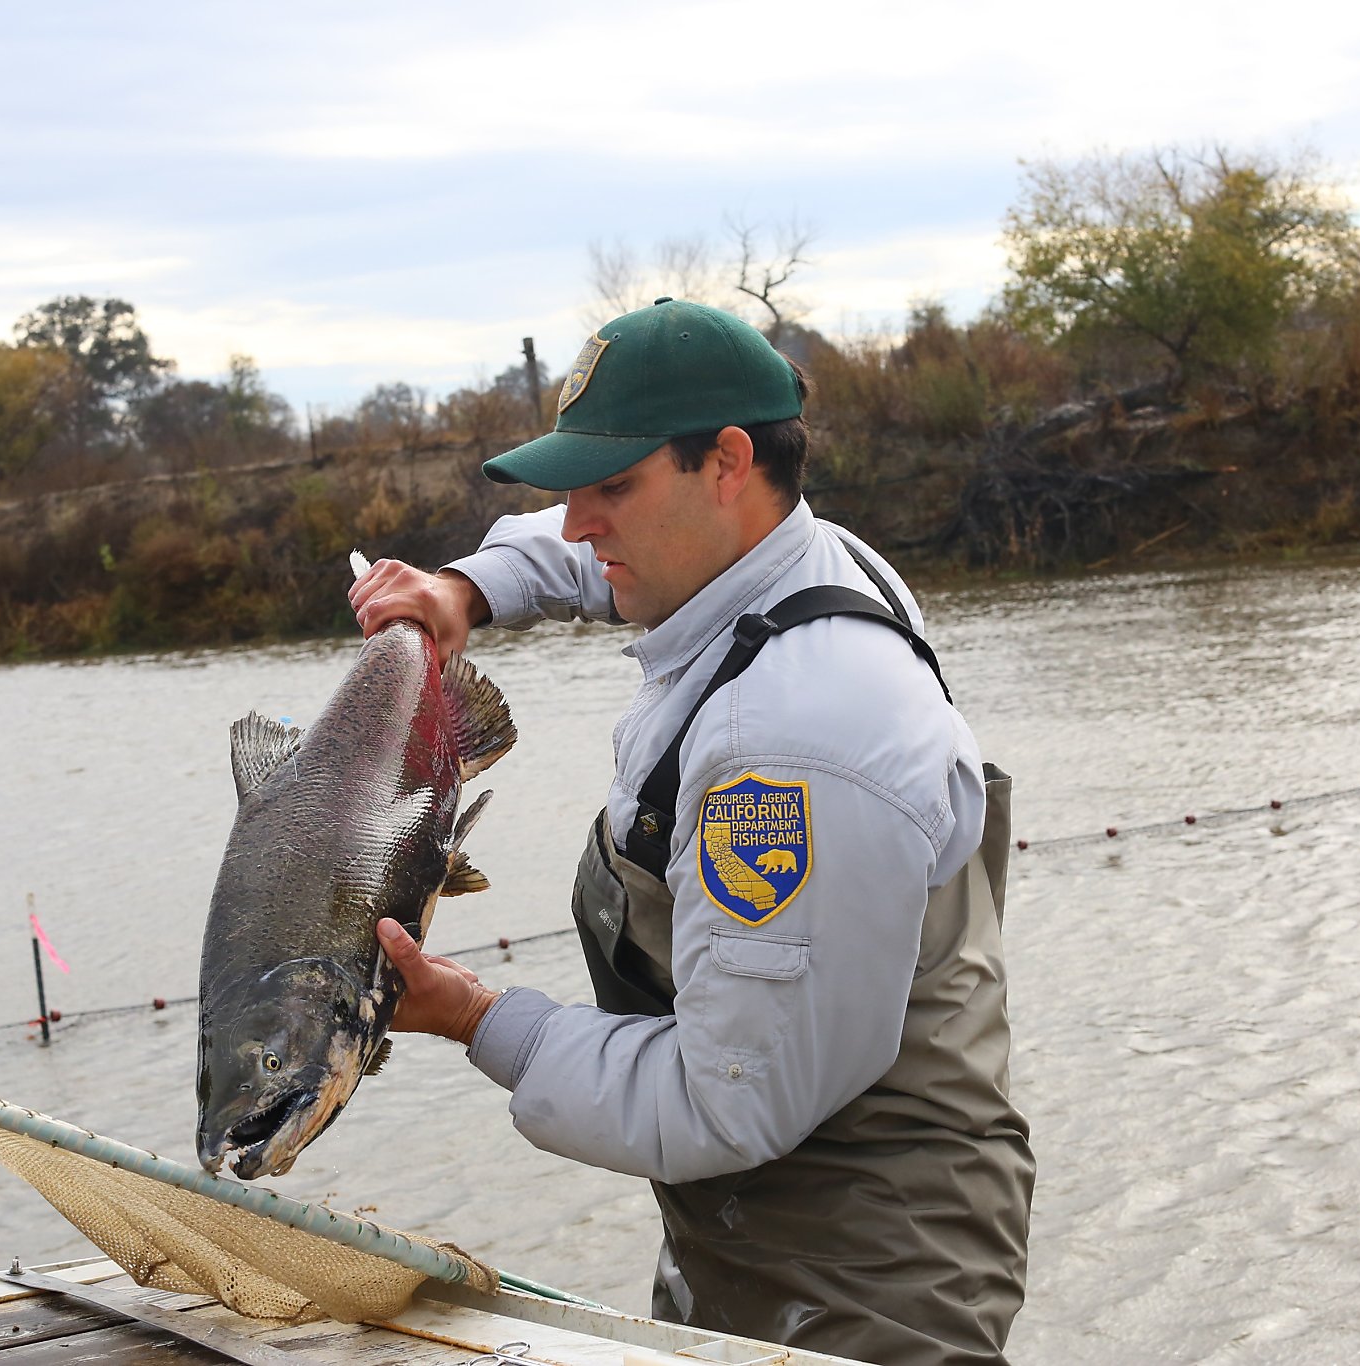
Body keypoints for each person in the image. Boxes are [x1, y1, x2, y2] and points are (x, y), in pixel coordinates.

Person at [348, 298, 1034, 1366]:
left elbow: (730, 1100)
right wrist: (462, 589)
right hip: (748, 1235)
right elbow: (576, 554)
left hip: (867, 1285)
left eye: (609, 486)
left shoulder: (794, 736)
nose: (578, 523)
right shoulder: (780, 558)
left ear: (726, 461)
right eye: (571, 488)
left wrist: (477, 1017)